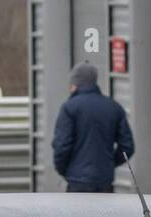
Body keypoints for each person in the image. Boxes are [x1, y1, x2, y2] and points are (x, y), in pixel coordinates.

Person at [51, 63, 135, 193]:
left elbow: (62, 145)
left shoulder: (69, 108)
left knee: (78, 214)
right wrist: (110, 163)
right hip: (104, 180)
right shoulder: (114, 107)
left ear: (75, 83)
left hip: (77, 181)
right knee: (104, 214)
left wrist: (64, 170)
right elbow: (127, 146)